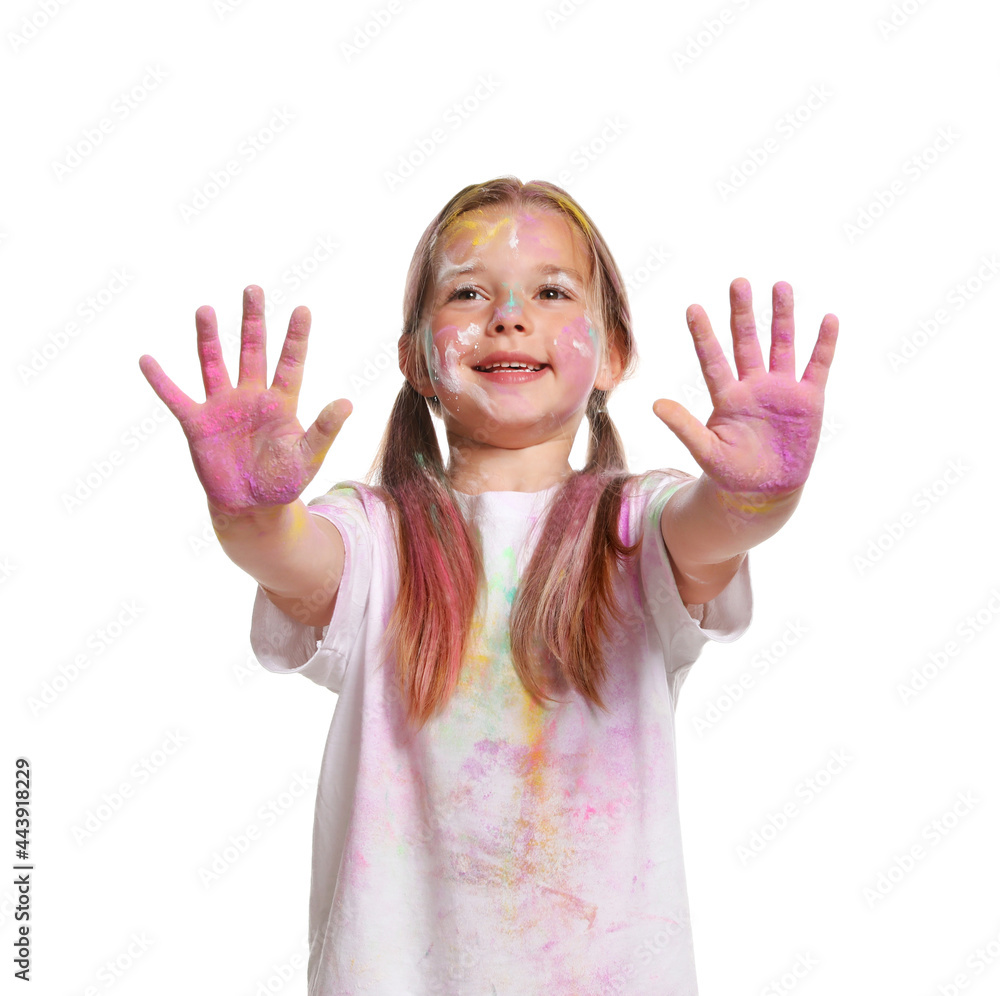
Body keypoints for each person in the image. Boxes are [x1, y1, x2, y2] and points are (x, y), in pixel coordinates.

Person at [138, 176, 838, 995]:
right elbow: (286, 554)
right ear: (416, 358)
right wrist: (251, 512)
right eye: (468, 292)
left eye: (551, 291)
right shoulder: (375, 535)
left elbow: (717, 528)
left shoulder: (634, 524)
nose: (510, 315)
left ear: (612, 351)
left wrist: (759, 496)